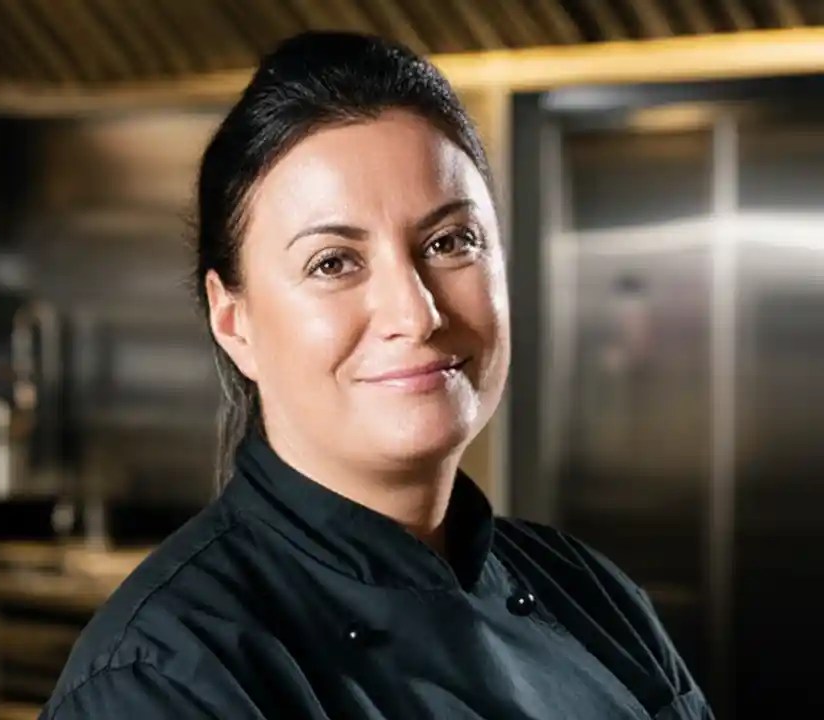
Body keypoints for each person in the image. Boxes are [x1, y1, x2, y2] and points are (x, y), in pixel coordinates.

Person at [41, 31, 711, 719]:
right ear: (233, 320)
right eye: (334, 262)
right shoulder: (163, 680)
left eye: (450, 242)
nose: (415, 313)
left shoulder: (589, 595)